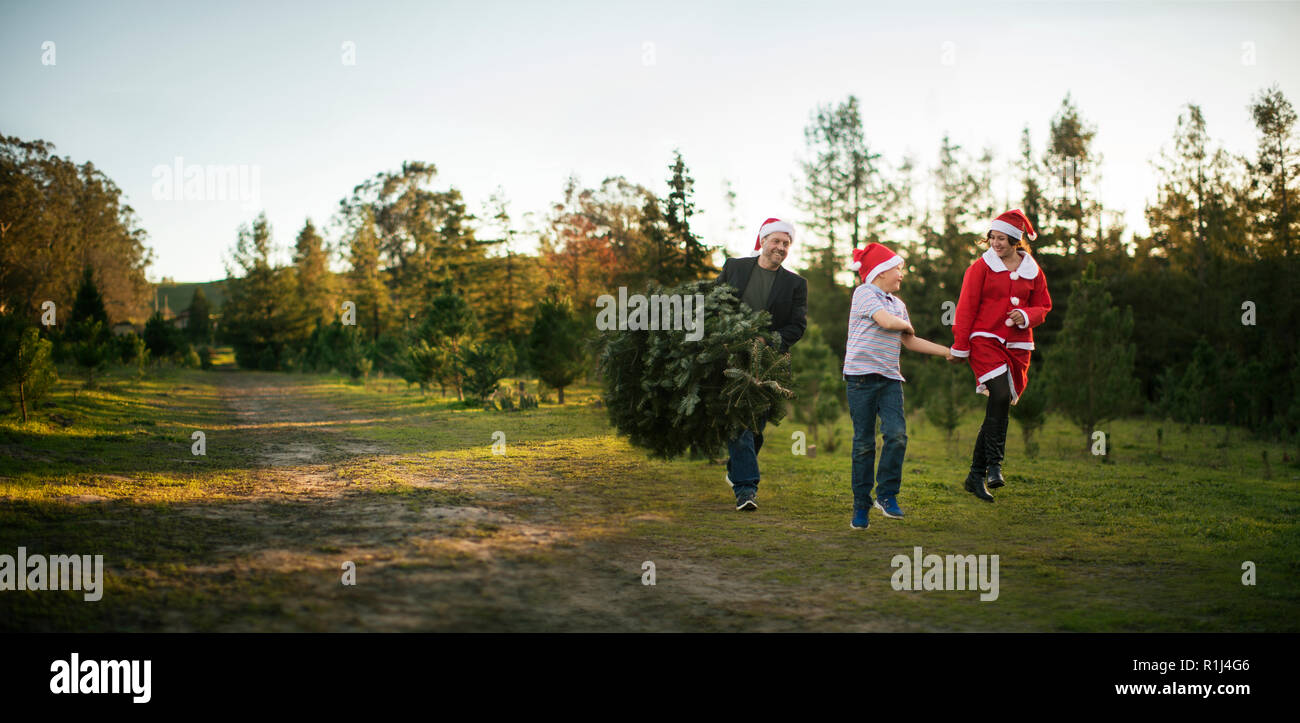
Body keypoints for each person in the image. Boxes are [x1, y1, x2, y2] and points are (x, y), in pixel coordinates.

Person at [843, 243, 953, 530]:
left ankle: (887, 495)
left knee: (897, 435)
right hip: (861, 379)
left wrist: (946, 351)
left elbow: (909, 339)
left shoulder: (898, 304)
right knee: (864, 444)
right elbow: (886, 322)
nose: (902, 274)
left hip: (890, 379)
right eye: (898, 268)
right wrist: (904, 325)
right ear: (880, 272)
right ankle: (861, 505)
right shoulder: (864, 293)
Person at [949, 209, 1053, 502]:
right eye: (991, 238)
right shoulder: (979, 268)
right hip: (984, 339)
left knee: (1001, 401)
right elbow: (966, 307)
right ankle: (995, 465)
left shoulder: (1032, 269)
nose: (995, 243)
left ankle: (975, 475)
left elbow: (1043, 305)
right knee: (998, 395)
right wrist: (961, 344)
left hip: (1018, 345)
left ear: (1015, 240)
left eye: (1001, 239)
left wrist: (1026, 314)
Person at [715, 217, 808, 511]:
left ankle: (736, 468)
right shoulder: (735, 268)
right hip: (731, 357)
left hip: (769, 363)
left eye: (786, 243)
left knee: (758, 424)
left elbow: (797, 326)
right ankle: (746, 488)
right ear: (763, 241)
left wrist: (768, 340)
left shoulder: (796, 284)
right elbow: (713, 303)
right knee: (739, 419)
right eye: (776, 241)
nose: (780, 247)